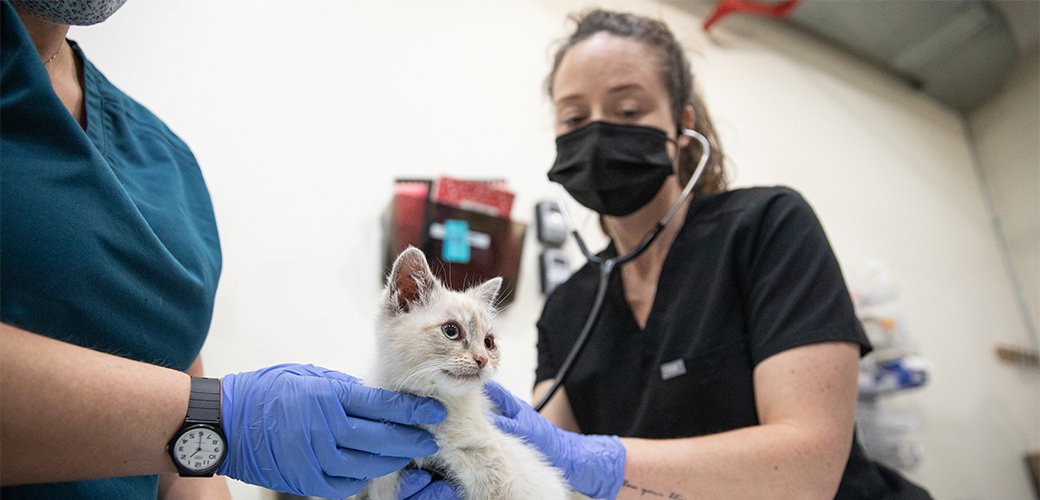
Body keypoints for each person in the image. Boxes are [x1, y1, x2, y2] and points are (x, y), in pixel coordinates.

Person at [0, 1, 456, 499]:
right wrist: (221, 419)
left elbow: (185, 456)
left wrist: (211, 431)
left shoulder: (165, 163)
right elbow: (198, 418)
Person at [484, 9, 934, 500]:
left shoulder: (765, 226)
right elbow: (537, 469)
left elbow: (808, 470)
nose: (596, 135)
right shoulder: (568, 307)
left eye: (628, 111)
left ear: (682, 125)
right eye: (574, 118)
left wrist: (596, 462)